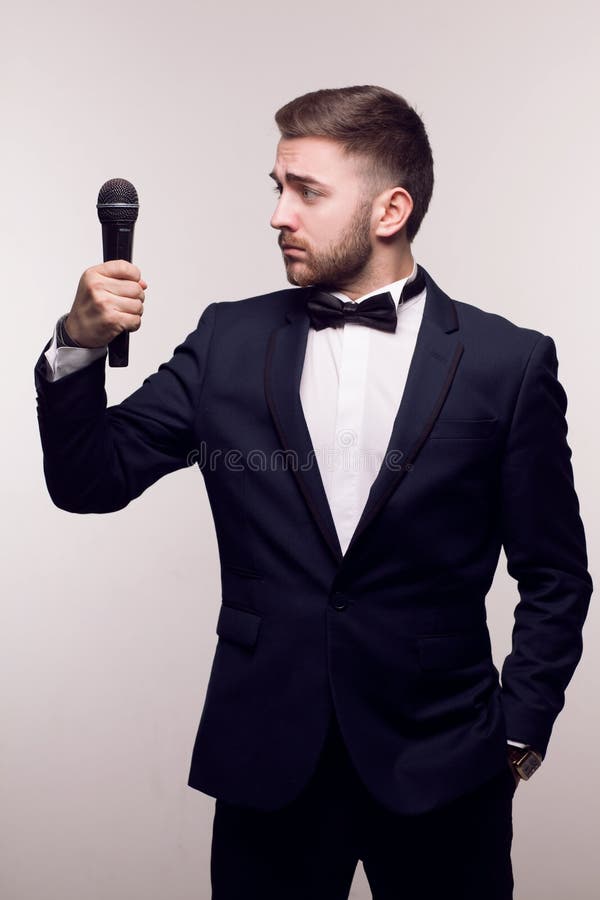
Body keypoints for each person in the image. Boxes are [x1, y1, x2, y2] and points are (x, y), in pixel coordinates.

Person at [34, 85, 592, 899]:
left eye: (307, 191)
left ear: (389, 209)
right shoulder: (228, 340)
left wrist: (520, 730)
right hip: (267, 759)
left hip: (444, 765)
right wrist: (77, 347)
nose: (278, 215)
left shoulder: (508, 364)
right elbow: (90, 481)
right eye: (277, 187)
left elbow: (555, 573)